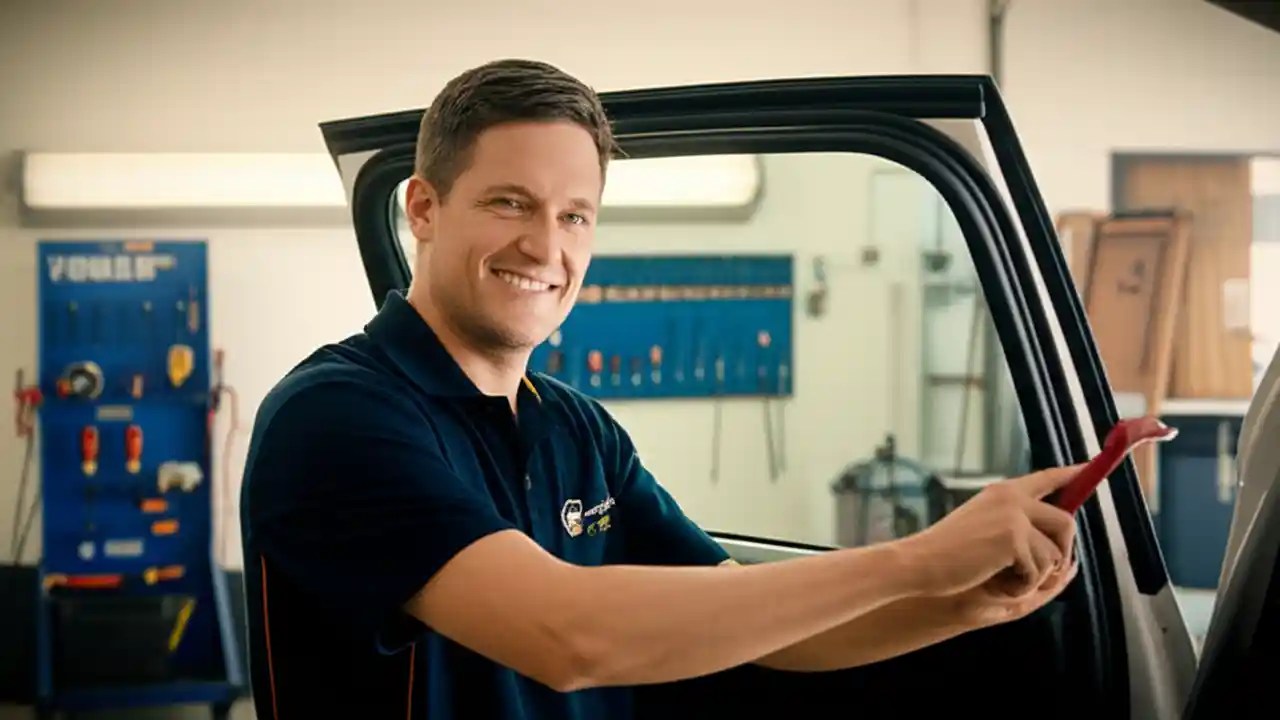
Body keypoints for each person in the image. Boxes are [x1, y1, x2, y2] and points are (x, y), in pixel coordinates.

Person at [239, 58, 1081, 719]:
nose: (545, 247)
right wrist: (920, 557)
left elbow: (754, 627)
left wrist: (965, 606)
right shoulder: (336, 417)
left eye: (574, 215)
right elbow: (567, 634)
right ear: (422, 208)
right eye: (509, 203)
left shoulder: (575, 429)